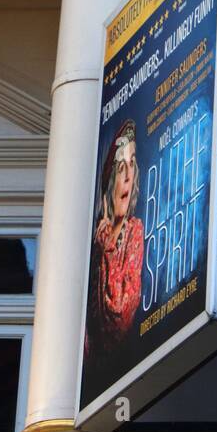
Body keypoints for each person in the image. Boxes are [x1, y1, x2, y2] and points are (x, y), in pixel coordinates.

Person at [87, 119, 144, 353]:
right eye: (121, 169)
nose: (128, 176)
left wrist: (107, 250)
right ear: (110, 184)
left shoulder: (134, 231)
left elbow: (120, 315)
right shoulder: (96, 245)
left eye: (131, 165)